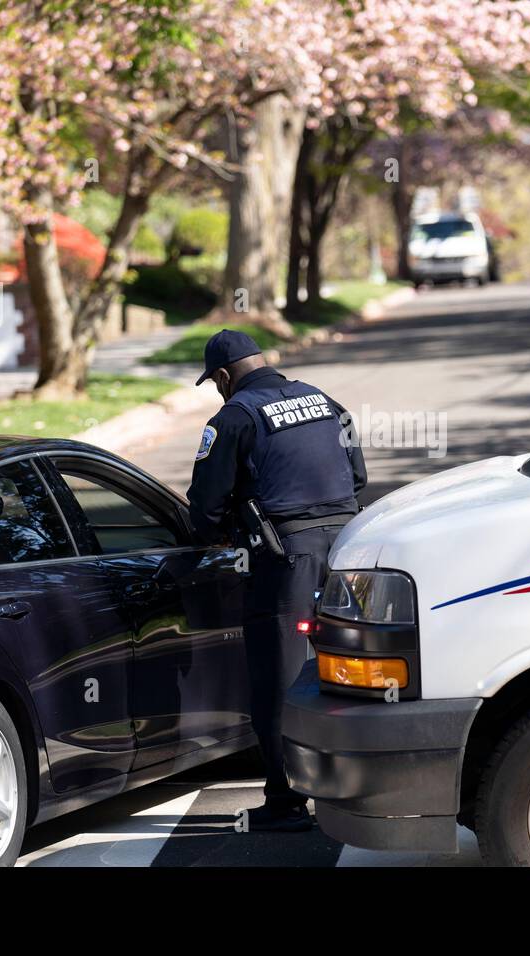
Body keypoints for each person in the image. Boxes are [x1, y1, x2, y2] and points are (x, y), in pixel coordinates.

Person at [187, 329, 366, 832]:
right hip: (350, 550)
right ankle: (358, 785)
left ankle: (285, 803)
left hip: (286, 559)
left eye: (215, 382)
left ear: (225, 376)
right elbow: (357, 478)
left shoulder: (234, 418)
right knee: (352, 669)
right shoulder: (323, 400)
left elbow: (205, 508)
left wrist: (225, 535)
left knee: (277, 680)